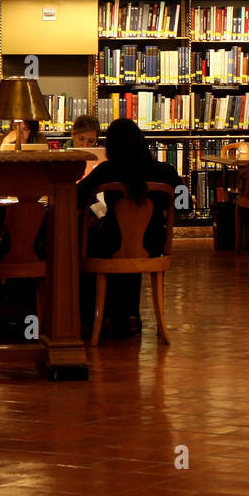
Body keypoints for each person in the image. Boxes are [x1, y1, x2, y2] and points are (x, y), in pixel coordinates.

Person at [76, 118, 183, 338]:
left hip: (110, 244)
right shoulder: (166, 172)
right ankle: (130, 317)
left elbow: (77, 197)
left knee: (92, 244)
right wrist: (163, 208)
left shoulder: (107, 170)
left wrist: (95, 211)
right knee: (132, 244)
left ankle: (96, 318)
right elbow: (184, 204)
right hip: (153, 245)